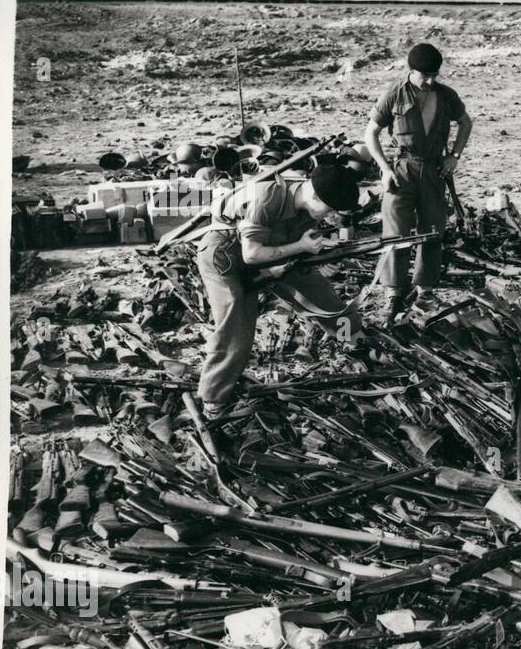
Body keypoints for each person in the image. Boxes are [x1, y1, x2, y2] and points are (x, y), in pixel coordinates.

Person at [195, 164, 365, 421]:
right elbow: (251, 254)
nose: (329, 216)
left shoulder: (305, 202)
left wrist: (321, 255)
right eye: (328, 209)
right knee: (236, 325)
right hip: (225, 256)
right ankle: (214, 400)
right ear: (314, 196)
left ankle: (354, 339)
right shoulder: (269, 197)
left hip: (273, 248)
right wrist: (300, 246)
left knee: (320, 294)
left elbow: (300, 240)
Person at [364, 42, 473, 319]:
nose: (429, 81)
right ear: (410, 70)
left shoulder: (446, 95)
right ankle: (393, 292)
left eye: (434, 75)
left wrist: (455, 156)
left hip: (435, 170)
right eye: (424, 75)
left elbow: (466, 122)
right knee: (396, 233)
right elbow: (370, 134)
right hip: (402, 170)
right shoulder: (394, 95)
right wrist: (385, 170)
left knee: (433, 230)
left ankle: (425, 291)